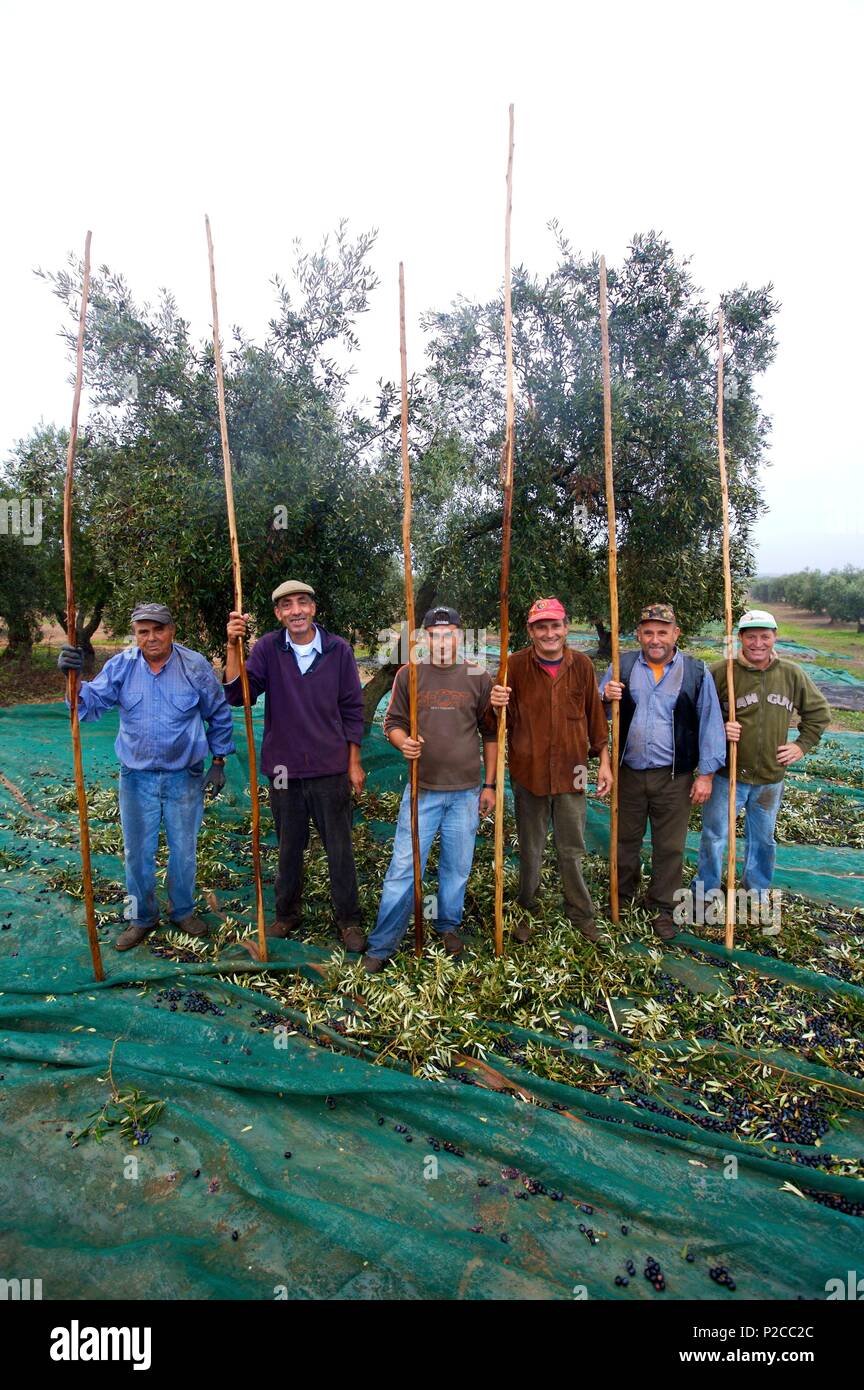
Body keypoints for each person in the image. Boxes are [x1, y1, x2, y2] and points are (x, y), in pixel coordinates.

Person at [58, 603, 235, 950]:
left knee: (184, 850)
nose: (151, 637)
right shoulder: (122, 666)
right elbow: (88, 706)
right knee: (138, 851)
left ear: (171, 630)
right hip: (136, 777)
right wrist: (72, 679)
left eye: (158, 629)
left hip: (185, 776)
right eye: (143, 631)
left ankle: (182, 911)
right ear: (136, 634)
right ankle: (141, 917)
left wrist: (219, 762)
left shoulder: (194, 666)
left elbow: (219, 712)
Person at [225, 580, 367, 950]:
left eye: (302, 602)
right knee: (289, 844)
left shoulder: (338, 650)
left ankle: (349, 920)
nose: (296, 610)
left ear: (314, 608)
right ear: (278, 613)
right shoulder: (269, 648)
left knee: (339, 846)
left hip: (329, 766)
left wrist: (353, 762)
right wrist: (232, 645)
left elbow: (353, 709)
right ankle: (286, 914)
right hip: (284, 769)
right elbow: (238, 695)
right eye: (287, 605)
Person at [362, 606, 497, 973]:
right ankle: (382, 943)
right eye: (434, 634)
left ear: (460, 636)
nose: (442, 640)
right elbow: (393, 722)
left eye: (450, 633)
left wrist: (491, 785)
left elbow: (491, 732)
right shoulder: (410, 674)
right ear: (424, 638)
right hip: (422, 790)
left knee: (457, 867)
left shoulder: (478, 676)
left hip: (467, 792)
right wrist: (402, 742)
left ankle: (448, 925)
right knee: (405, 867)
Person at [600, 603, 726, 940]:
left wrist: (706, 774)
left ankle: (663, 907)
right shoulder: (621, 665)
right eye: (648, 632)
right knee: (624, 840)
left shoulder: (697, 672)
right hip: (628, 772)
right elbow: (597, 714)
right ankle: (621, 898)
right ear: (639, 634)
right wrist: (604, 695)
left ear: (675, 634)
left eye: (662, 632)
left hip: (675, 777)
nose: (655, 639)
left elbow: (711, 723)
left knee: (669, 846)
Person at [490, 597, 612, 944]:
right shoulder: (512, 666)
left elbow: (595, 719)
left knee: (572, 846)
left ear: (565, 627)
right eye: (541, 626)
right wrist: (495, 704)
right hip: (528, 772)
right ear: (530, 631)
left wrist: (604, 763)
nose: (549, 633)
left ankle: (581, 913)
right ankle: (525, 909)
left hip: (573, 771)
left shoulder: (583, 666)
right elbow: (494, 723)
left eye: (554, 625)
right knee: (530, 847)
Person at [693, 609, 830, 908]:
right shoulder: (721, 672)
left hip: (770, 777)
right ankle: (705, 892)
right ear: (740, 638)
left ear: (774, 637)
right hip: (726, 773)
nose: (758, 643)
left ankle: (755, 892)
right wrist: (720, 728)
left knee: (763, 840)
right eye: (751, 636)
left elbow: (819, 714)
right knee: (715, 836)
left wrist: (801, 745)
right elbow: (696, 715)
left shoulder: (791, 674)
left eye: (764, 637)